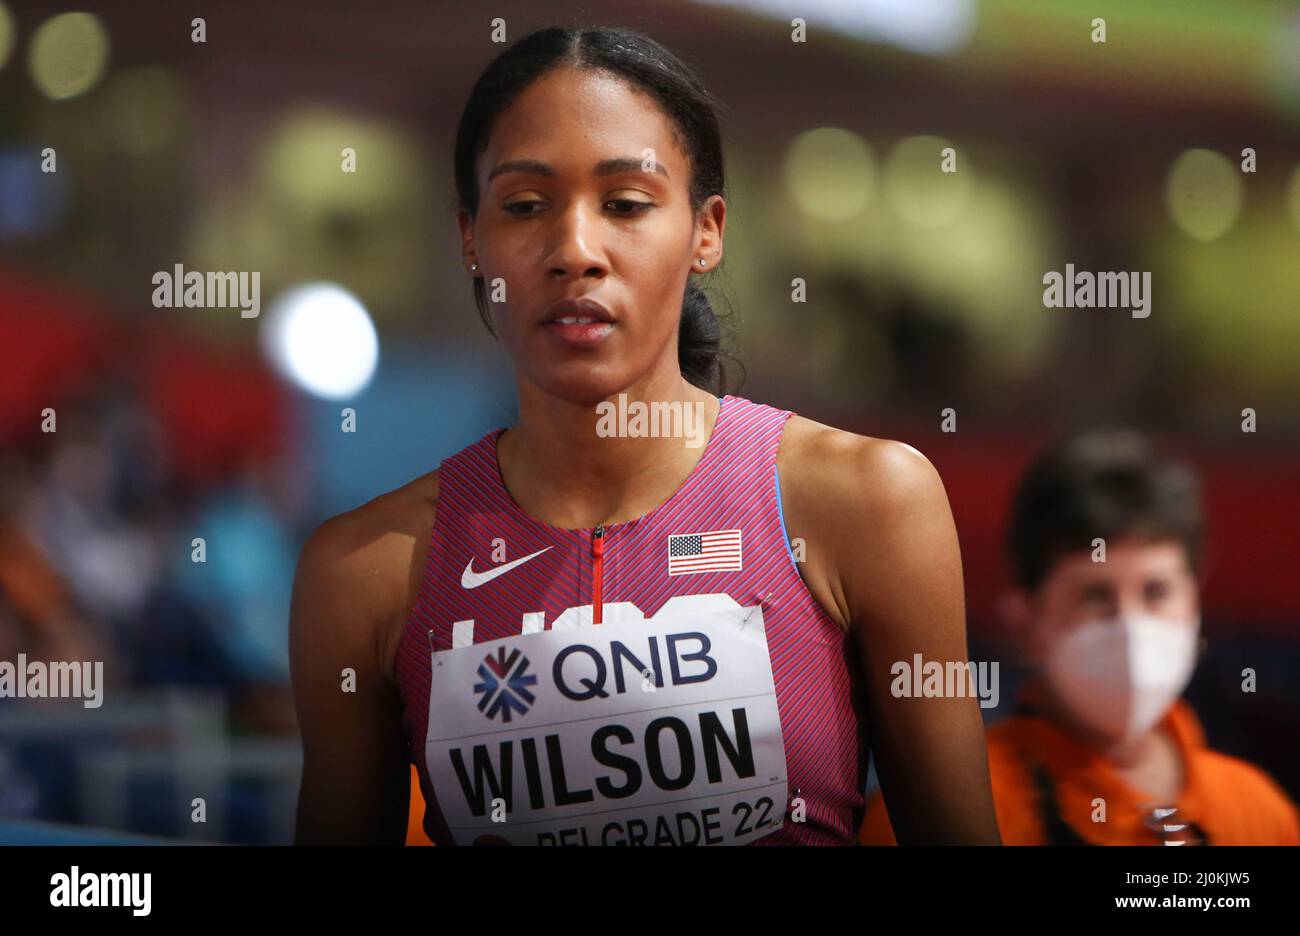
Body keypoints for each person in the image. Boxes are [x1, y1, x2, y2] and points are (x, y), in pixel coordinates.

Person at [290, 25, 999, 845]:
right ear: (470, 240)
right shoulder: (364, 574)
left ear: (708, 231)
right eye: (525, 206)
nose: (575, 250)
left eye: (626, 204)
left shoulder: (869, 502)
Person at [861, 429, 1300, 845]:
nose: (1131, 628)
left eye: (1156, 592)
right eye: (1096, 596)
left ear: (1195, 601)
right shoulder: (942, 811)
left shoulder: (1258, 811)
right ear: (1025, 623)